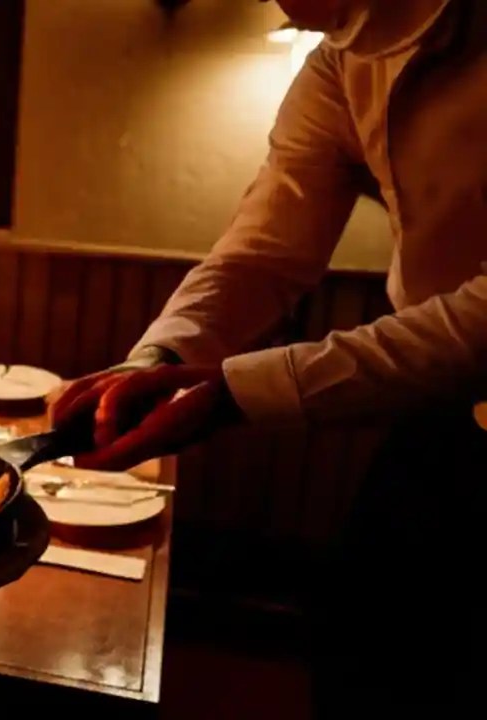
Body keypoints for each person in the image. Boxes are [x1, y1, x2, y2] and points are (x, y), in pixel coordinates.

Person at [50, 0, 485, 713]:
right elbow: (264, 253)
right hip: (437, 416)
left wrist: (234, 393)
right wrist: (156, 358)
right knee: (361, 660)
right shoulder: (339, 63)